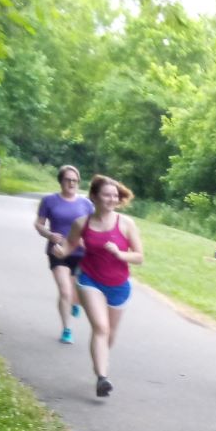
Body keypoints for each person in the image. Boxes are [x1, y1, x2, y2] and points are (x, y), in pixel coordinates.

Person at [51, 175, 143, 398]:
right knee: (100, 328)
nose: (112, 199)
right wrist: (61, 252)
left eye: (115, 195)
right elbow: (70, 244)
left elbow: (139, 257)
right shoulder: (82, 223)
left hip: (119, 285)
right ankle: (102, 377)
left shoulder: (126, 224)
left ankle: (100, 363)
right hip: (90, 280)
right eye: (106, 195)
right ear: (94, 196)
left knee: (109, 334)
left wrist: (120, 254)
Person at [34, 166, 93, 344]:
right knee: (65, 291)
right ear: (61, 181)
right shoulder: (49, 201)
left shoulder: (86, 204)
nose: (71, 183)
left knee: (76, 293)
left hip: (80, 253)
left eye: (75, 180)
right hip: (58, 251)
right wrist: (49, 234)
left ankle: (75, 302)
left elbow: (93, 227)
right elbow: (38, 224)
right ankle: (67, 329)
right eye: (68, 179)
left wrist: (87, 241)